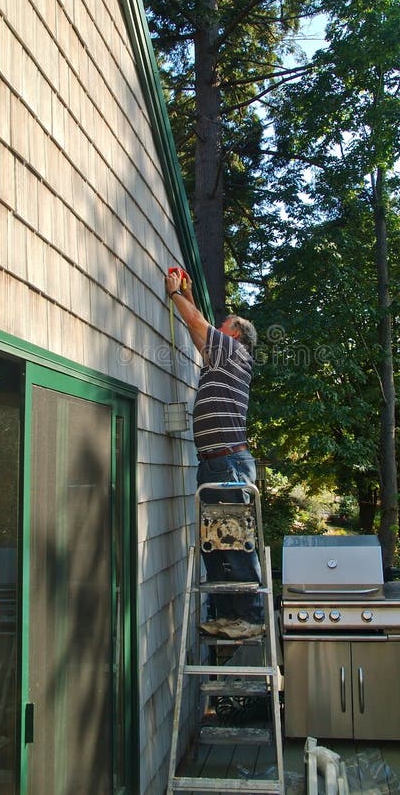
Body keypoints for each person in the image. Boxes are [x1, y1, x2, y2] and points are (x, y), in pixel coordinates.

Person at [165, 269, 263, 635]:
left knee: (233, 540)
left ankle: (250, 618)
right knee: (215, 546)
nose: (217, 330)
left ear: (235, 334)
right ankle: (228, 616)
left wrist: (176, 294)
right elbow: (197, 330)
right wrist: (187, 294)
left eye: (223, 326)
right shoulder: (219, 360)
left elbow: (197, 325)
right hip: (215, 464)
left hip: (227, 463)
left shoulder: (234, 352)